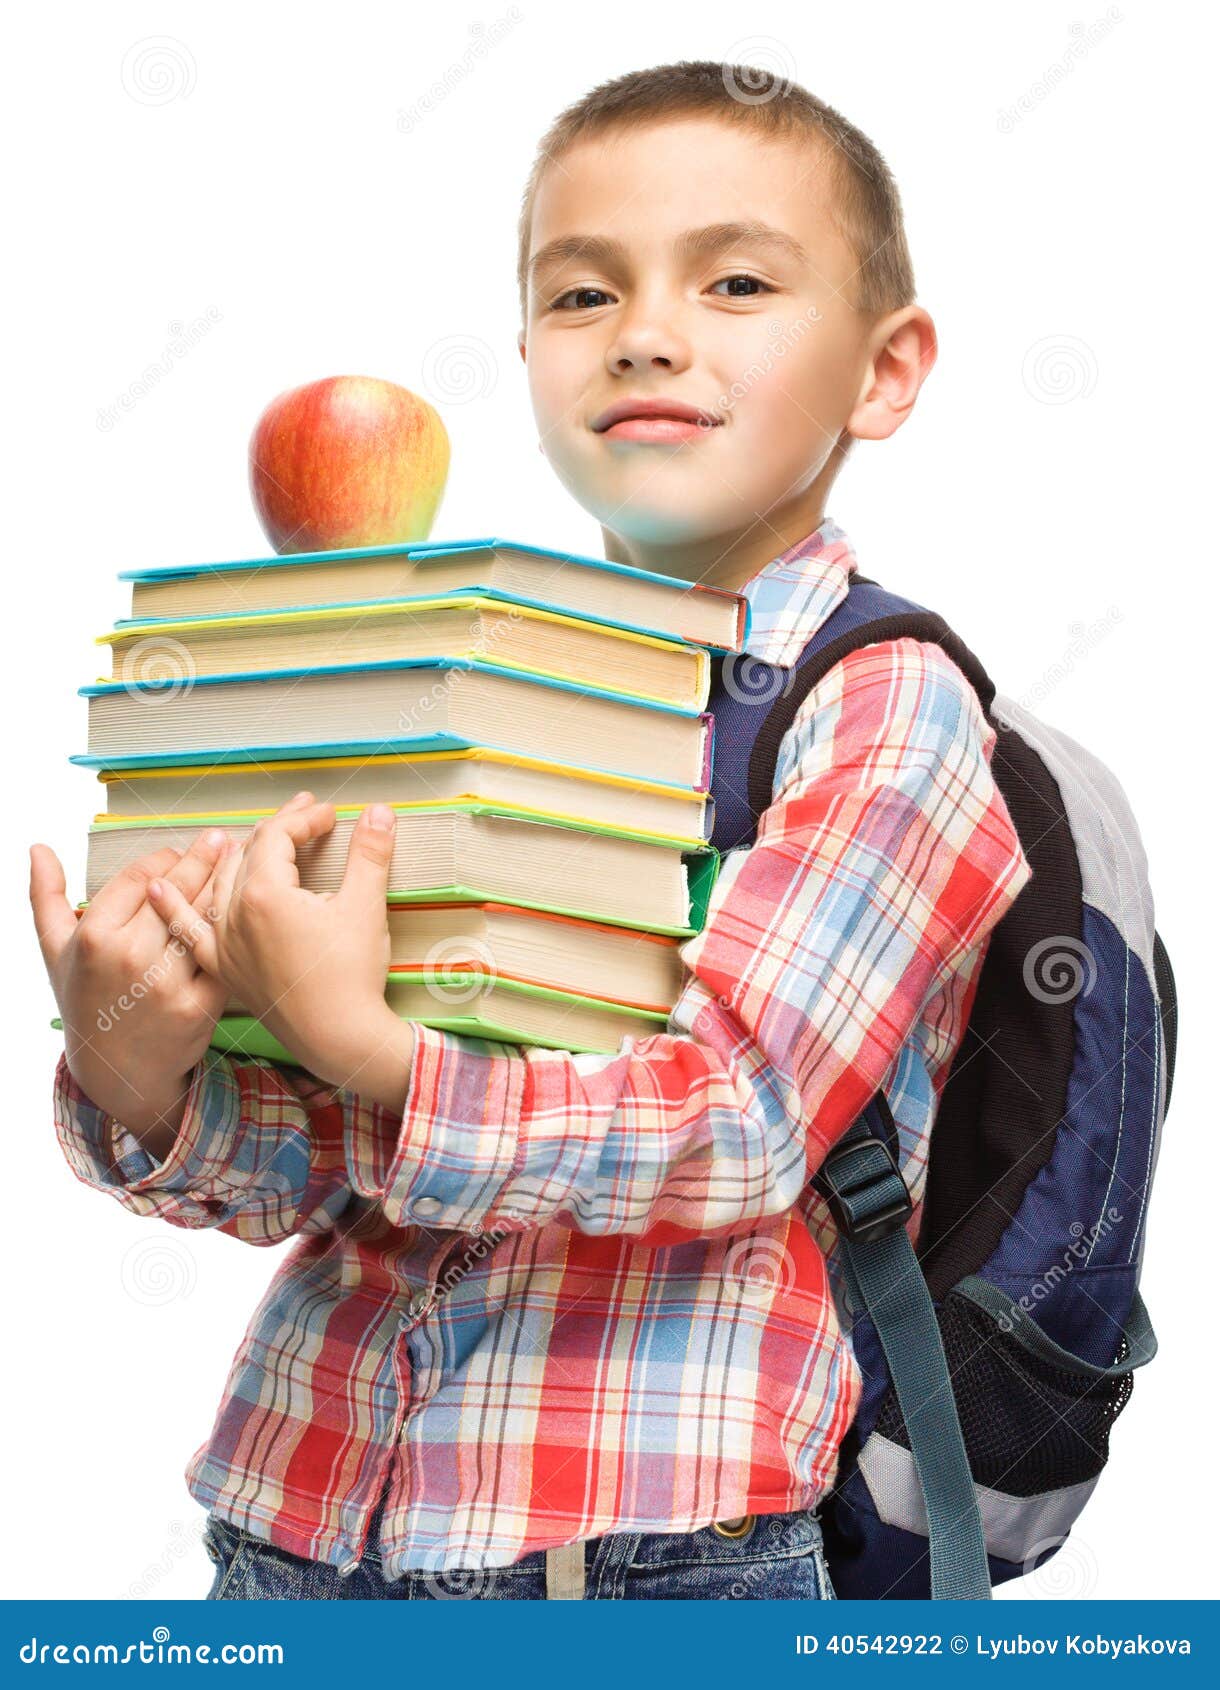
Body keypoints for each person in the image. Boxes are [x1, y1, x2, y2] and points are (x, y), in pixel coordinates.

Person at [29, 59, 1031, 1601]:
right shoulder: (472, 677)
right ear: (528, 357)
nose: (641, 331)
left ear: (884, 372)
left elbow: (741, 1122)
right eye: (580, 296)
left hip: (632, 1565)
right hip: (291, 1532)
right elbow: (334, 1164)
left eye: (740, 278)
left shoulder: (886, 705)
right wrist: (139, 1069)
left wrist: (373, 1048)